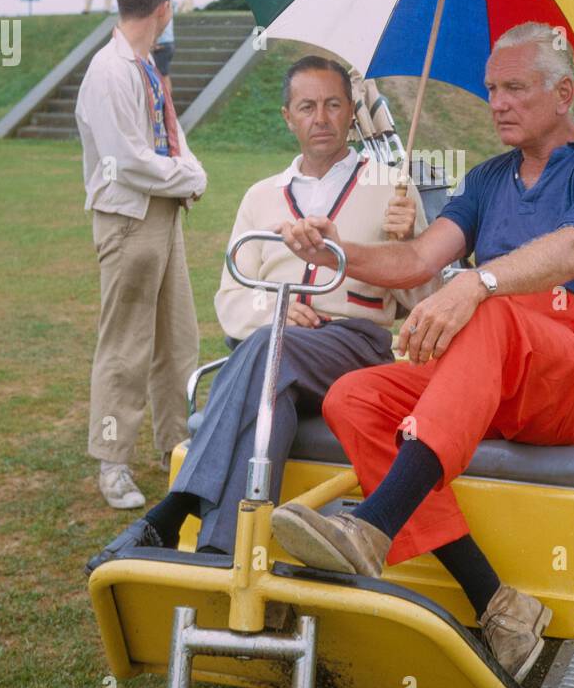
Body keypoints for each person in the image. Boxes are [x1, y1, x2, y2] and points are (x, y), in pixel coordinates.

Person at [270, 21, 574, 683]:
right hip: (499, 366)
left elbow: (571, 251)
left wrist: (477, 281)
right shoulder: (486, 178)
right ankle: (496, 602)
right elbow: (416, 257)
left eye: (514, 88)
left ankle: (374, 525)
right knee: (353, 396)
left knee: (491, 311)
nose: (496, 102)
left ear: (563, 93)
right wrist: (333, 249)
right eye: (490, 89)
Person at [85, 55, 441, 575]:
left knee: (265, 353)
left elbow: (426, 302)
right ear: (287, 116)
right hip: (278, 350)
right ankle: (226, 556)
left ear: (350, 113)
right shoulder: (259, 197)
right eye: (307, 106)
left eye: (333, 104)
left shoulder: (392, 188)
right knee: (269, 369)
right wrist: (275, 309)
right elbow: (232, 296)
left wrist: (409, 240)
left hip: (356, 346)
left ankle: (177, 508)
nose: (320, 117)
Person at [75, 0, 208, 510]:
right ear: (163, 10)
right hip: (128, 217)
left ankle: (176, 446)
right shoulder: (109, 71)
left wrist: (188, 172)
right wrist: (190, 177)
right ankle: (113, 462)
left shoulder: (145, 65)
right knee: (126, 345)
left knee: (178, 339)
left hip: (163, 213)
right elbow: (125, 161)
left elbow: (171, 137)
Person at [152, 9, 175, 81]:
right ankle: (168, 92)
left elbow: (159, 28)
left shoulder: (162, 13)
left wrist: (154, 43)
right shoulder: (168, 12)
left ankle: (166, 92)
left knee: (162, 76)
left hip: (162, 45)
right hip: (169, 43)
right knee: (165, 74)